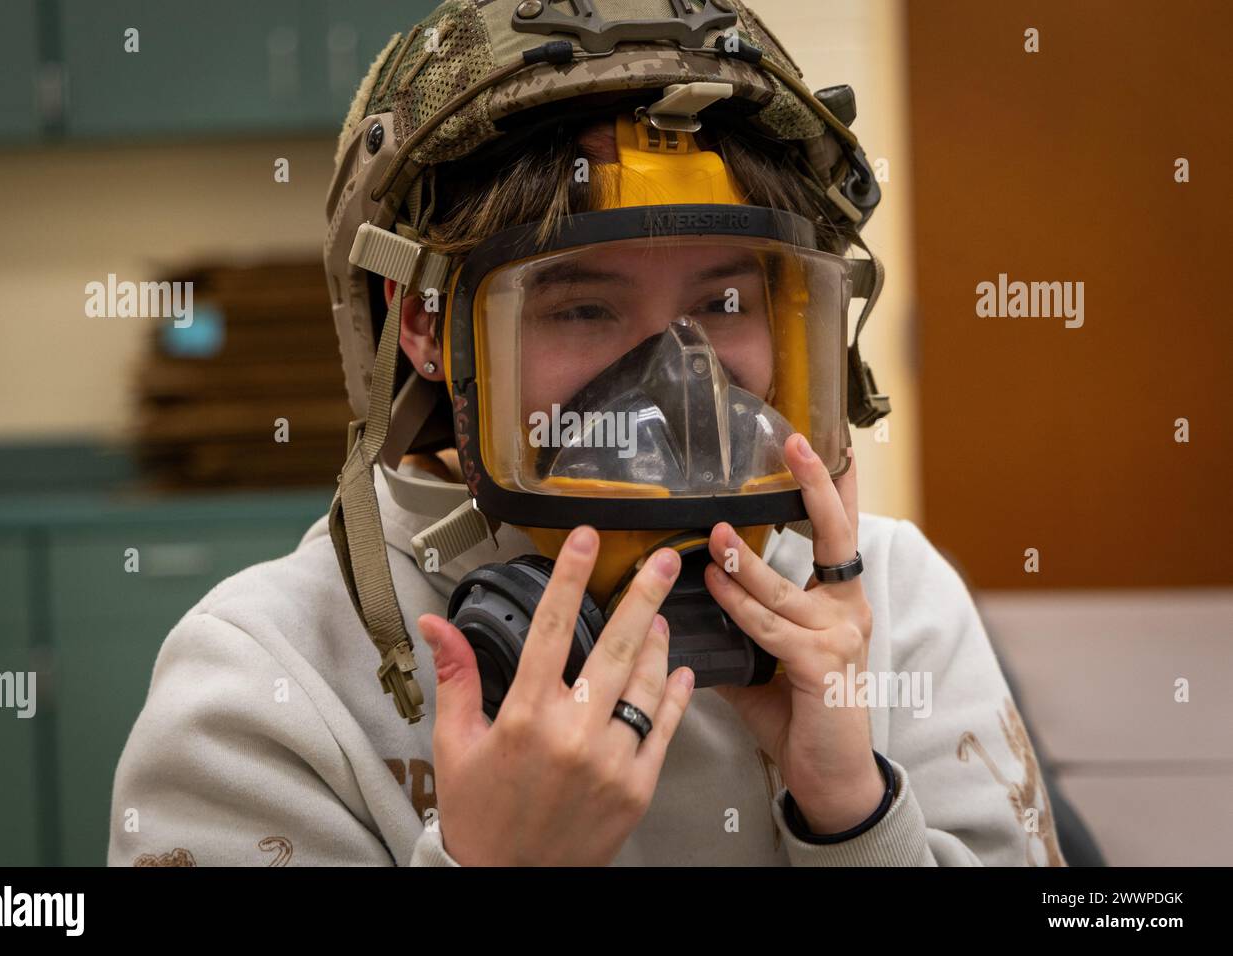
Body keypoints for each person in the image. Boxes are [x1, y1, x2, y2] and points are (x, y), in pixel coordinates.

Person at [109, 0, 1065, 867]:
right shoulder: (266, 684)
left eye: (724, 299)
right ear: (424, 323)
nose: (676, 377)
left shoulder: (892, 608)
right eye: (580, 309)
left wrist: (854, 815)